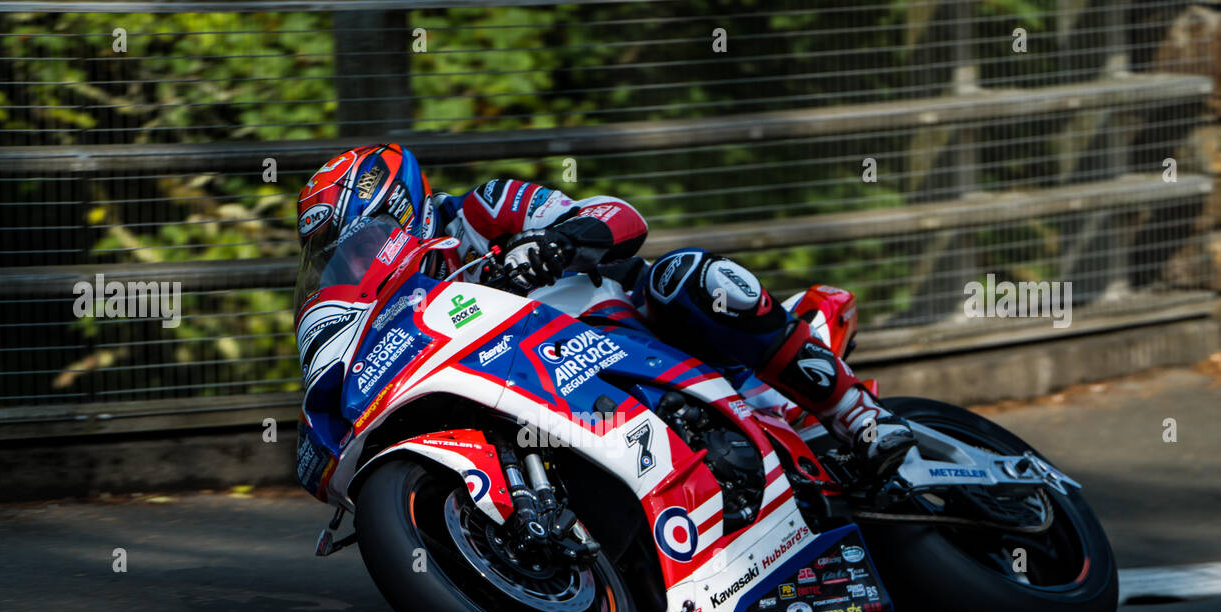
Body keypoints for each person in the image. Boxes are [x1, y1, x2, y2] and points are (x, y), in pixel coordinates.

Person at [295, 143, 916, 475]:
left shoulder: (480, 209)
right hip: (542, 392)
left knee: (687, 278)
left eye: (360, 244)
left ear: (400, 209)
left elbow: (616, 214)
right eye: (340, 258)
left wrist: (552, 244)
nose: (356, 262)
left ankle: (855, 413)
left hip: (622, 324)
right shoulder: (397, 311)